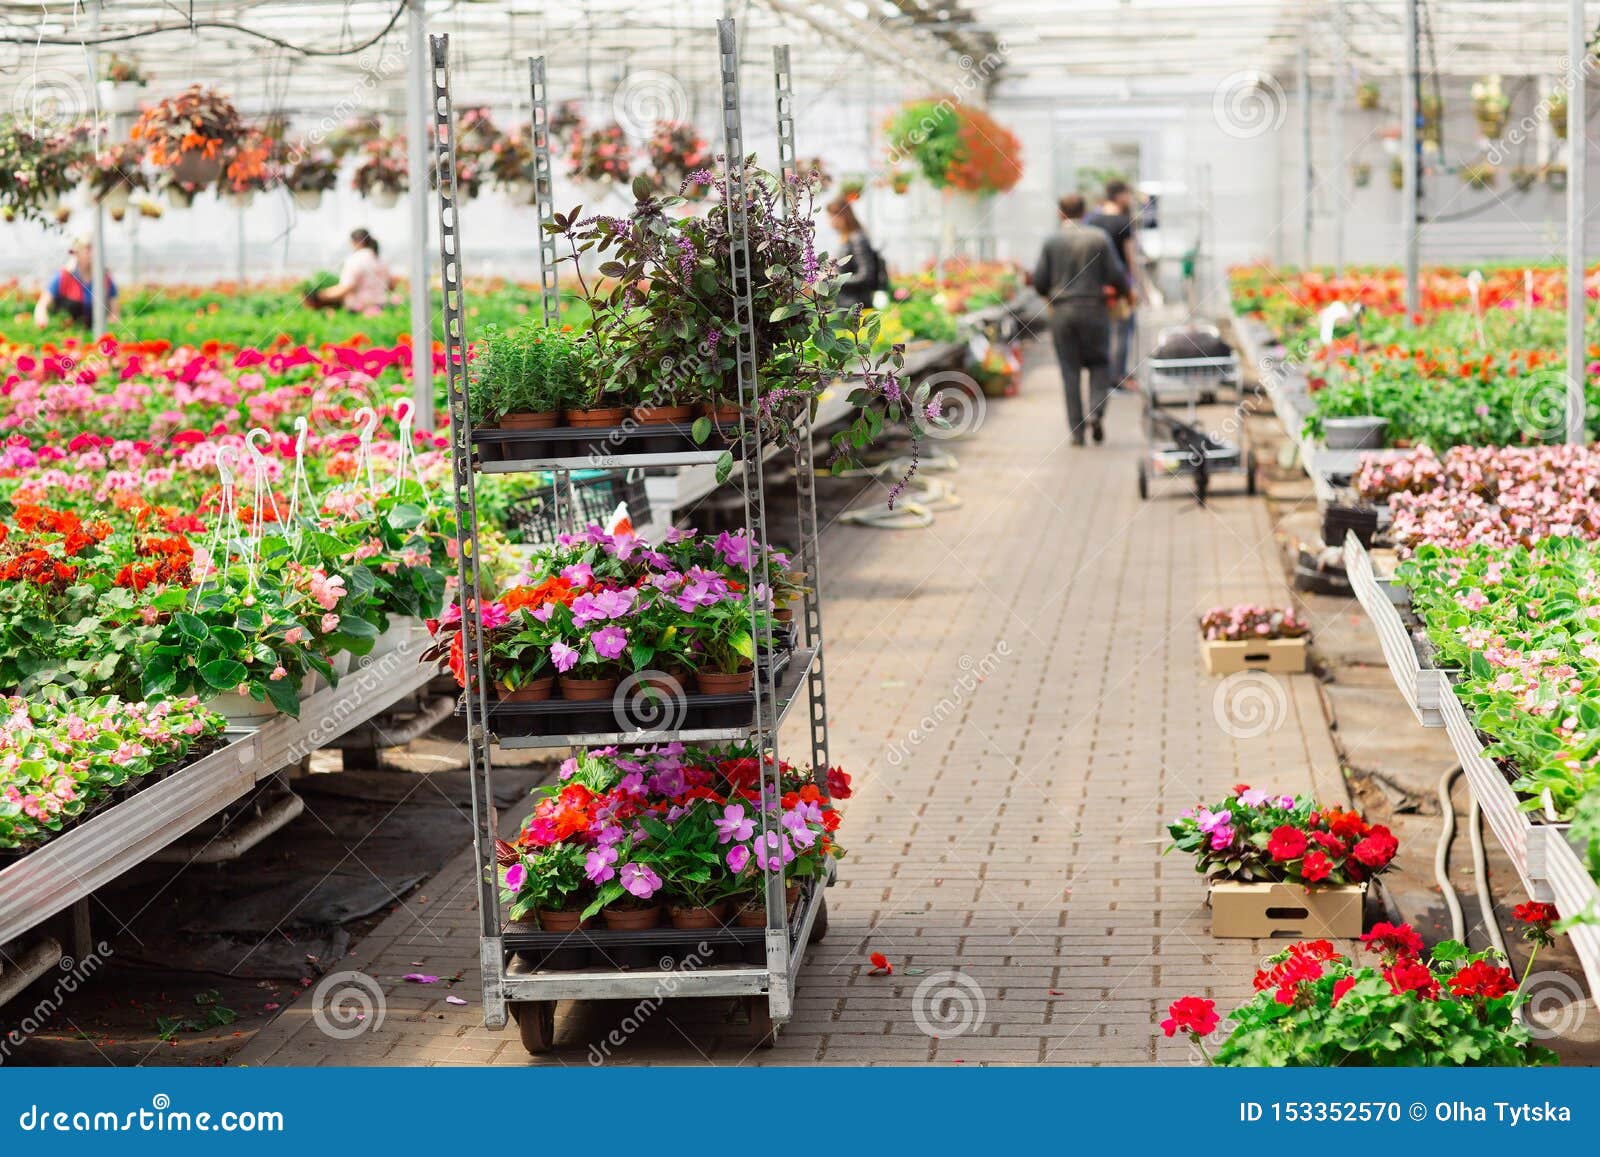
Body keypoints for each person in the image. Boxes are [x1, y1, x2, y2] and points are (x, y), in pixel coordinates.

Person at [1032, 193, 1130, 446]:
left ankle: (1077, 433)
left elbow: (1039, 282)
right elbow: (1117, 276)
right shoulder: (1099, 238)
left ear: (1059, 213)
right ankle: (1096, 413)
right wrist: (1121, 295)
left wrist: (1052, 294)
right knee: (1099, 363)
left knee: (1070, 370)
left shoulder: (1052, 241)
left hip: (1062, 312)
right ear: (1084, 211)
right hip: (1095, 310)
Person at [1086, 180, 1140, 390]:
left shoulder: (1092, 220)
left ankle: (1106, 376)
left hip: (1097, 285)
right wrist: (1133, 285)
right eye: (1127, 194)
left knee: (1104, 331)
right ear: (1119, 195)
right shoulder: (1123, 220)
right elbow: (1130, 256)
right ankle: (1116, 377)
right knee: (1123, 330)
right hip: (1120, 286)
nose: (1130, 198)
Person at [34, 237, 117, 328]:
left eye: (95, 250)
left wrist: (112, 325)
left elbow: (114, 312)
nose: (92, 254)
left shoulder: (104, 279)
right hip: (65, 333)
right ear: (77, 253)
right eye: (88, 250)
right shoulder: (64, 276)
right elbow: (42, 305)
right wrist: (42, 318)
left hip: (95, 334)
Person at [826, 197, 887, 313]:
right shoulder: (847, 239)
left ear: (842, 217)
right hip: (846, 304)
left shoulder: (857, 239)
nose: (830, 222)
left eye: (832, 217)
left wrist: (834, 279)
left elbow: (865, 276)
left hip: (856, 306)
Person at [317, 228, 394, 314]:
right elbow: (390, 286)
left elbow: (346, 287)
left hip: (359, 311)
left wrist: (322, 295)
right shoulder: (381, 261)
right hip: (381, 309)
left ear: (355, 242)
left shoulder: (355, 260)